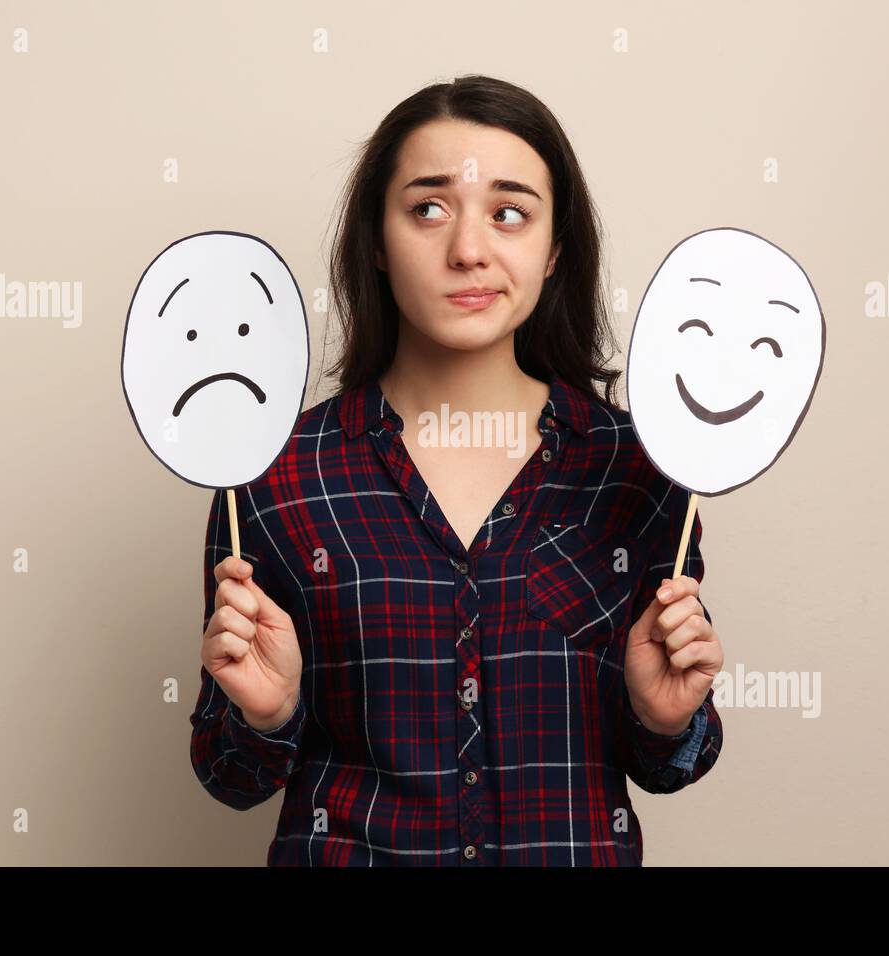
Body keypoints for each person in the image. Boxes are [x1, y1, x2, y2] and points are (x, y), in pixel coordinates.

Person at [189, 74, 724, 866]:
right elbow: (229, 775)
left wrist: (668, 721)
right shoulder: (273, 477)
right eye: (428, 208)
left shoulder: (641, 471)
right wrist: (267, 718)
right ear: (376, 239)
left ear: (554, 253)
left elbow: (667, 765)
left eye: (509, 213)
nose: (469, 249)